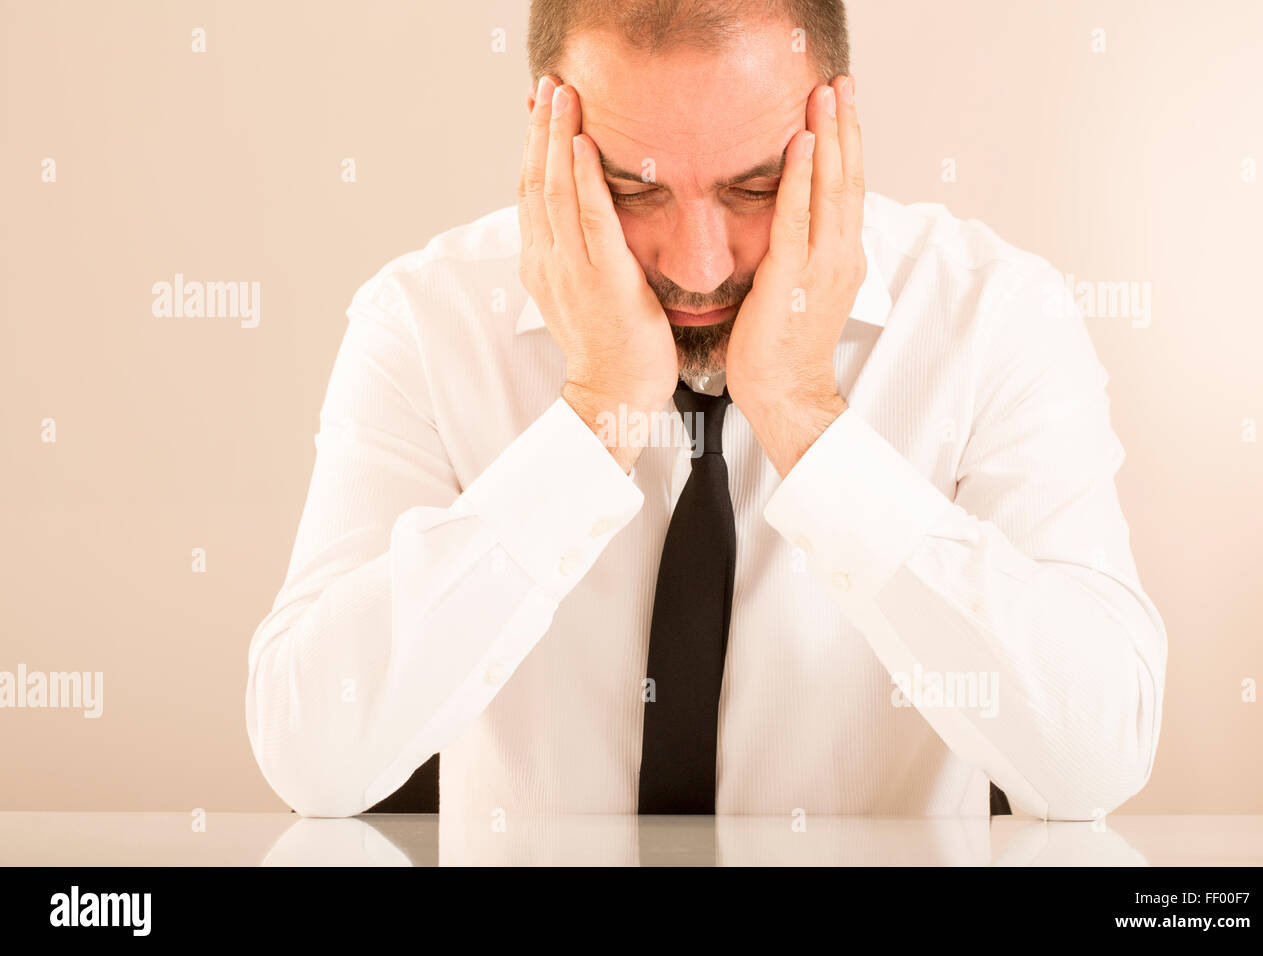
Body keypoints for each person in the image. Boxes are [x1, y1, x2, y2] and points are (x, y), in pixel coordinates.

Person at [245, 0, 1167, 821]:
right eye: (633, 189)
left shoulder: (992, 314)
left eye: (755, 187)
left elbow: (1092, 762)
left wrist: (805, 412)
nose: (697, 265)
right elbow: (316, 764)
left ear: (835, 128)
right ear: (547, 146)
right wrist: (598, 408)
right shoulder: (425, 319)